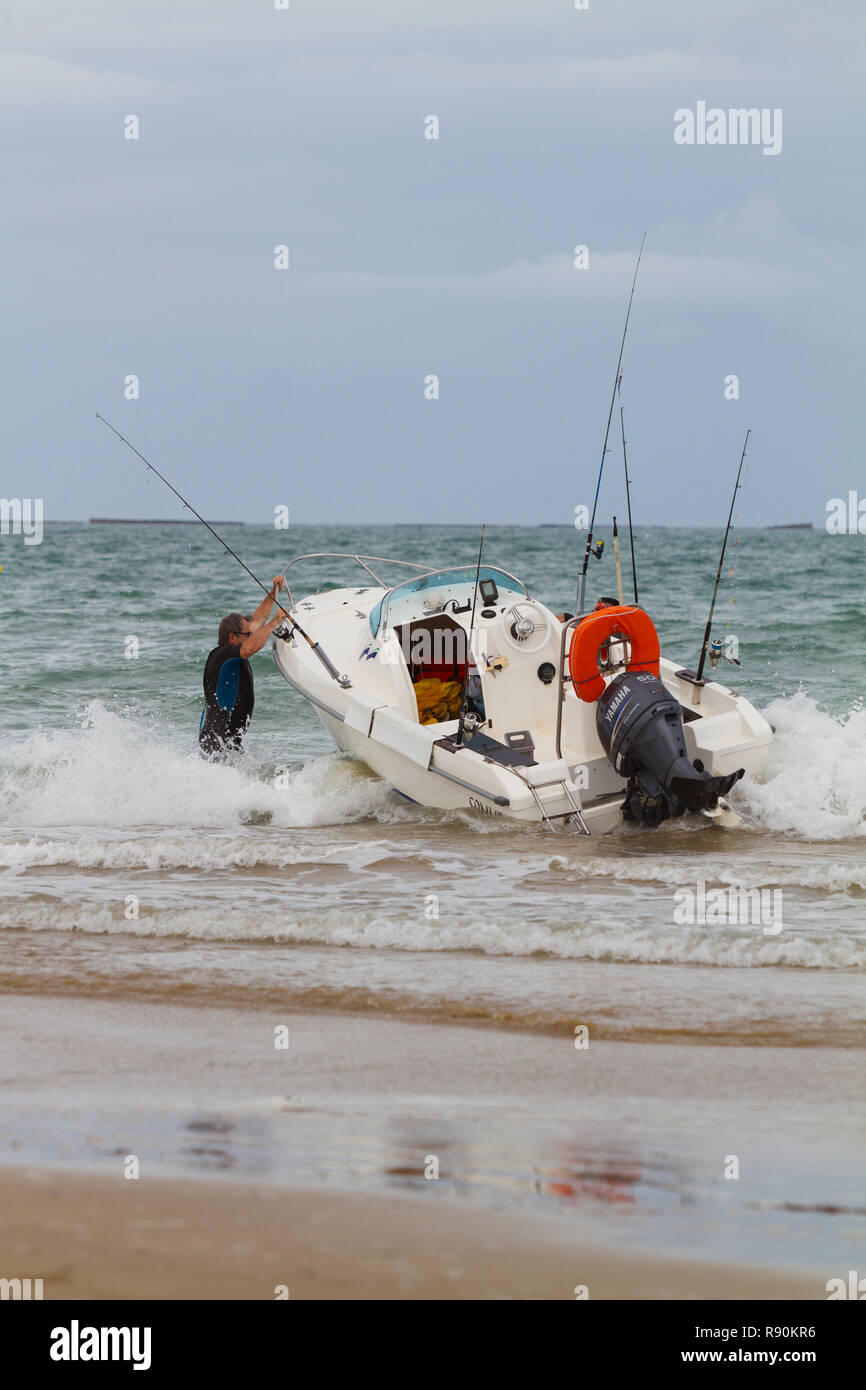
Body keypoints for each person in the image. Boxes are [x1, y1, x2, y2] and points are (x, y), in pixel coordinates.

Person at [199, 575, 287, 758]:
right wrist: (275, 622)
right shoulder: (223, 655)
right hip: (216, 745)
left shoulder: (229, 653)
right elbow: (251, 647)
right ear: (233, 637)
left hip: (227, 744)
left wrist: (274, 592)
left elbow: (256, 622)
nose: (251, 635)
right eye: (247, 634)